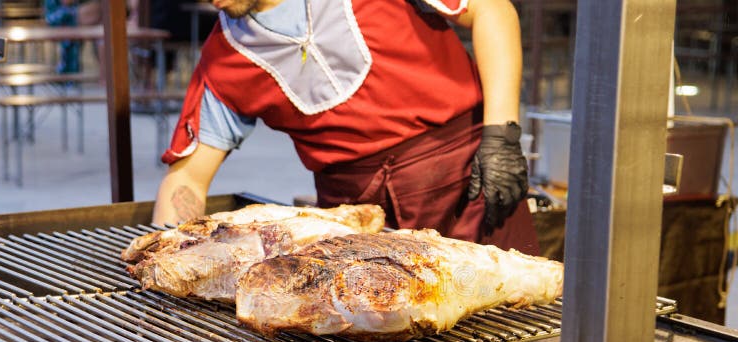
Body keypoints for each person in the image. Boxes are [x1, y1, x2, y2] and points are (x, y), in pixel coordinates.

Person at [153, 0, 539, 255]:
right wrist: (169, 257)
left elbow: (492, 11)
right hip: (358, 217)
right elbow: (187, 179)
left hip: (470, 179)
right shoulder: (224, 58)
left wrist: (502, 138)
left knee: (509, 337)